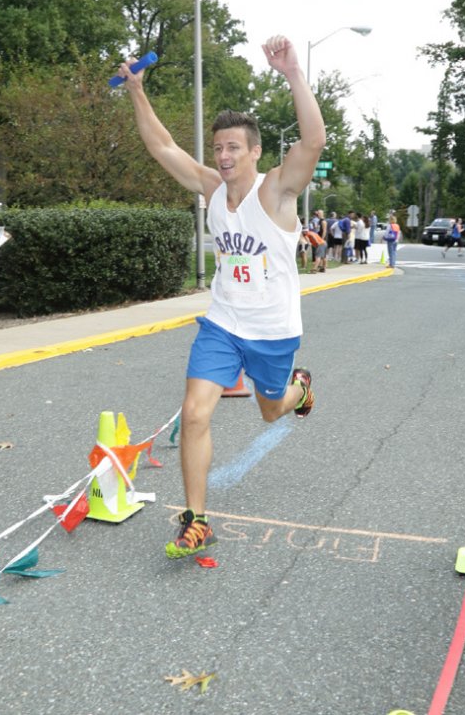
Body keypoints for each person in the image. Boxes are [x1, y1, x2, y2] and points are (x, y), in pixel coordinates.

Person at [118, 35, 322, 559]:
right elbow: (162, 146)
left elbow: (314, 141)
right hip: (224, 324)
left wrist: (293, 73)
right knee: (194, 412)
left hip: (274, 330)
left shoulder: (275, 190)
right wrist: (137, 90)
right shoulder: (211, 190)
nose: (225, 156)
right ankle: (197, 519)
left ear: (255, 151)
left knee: (272, 410)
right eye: (220, 147)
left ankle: (300, 390)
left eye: (235, 147)